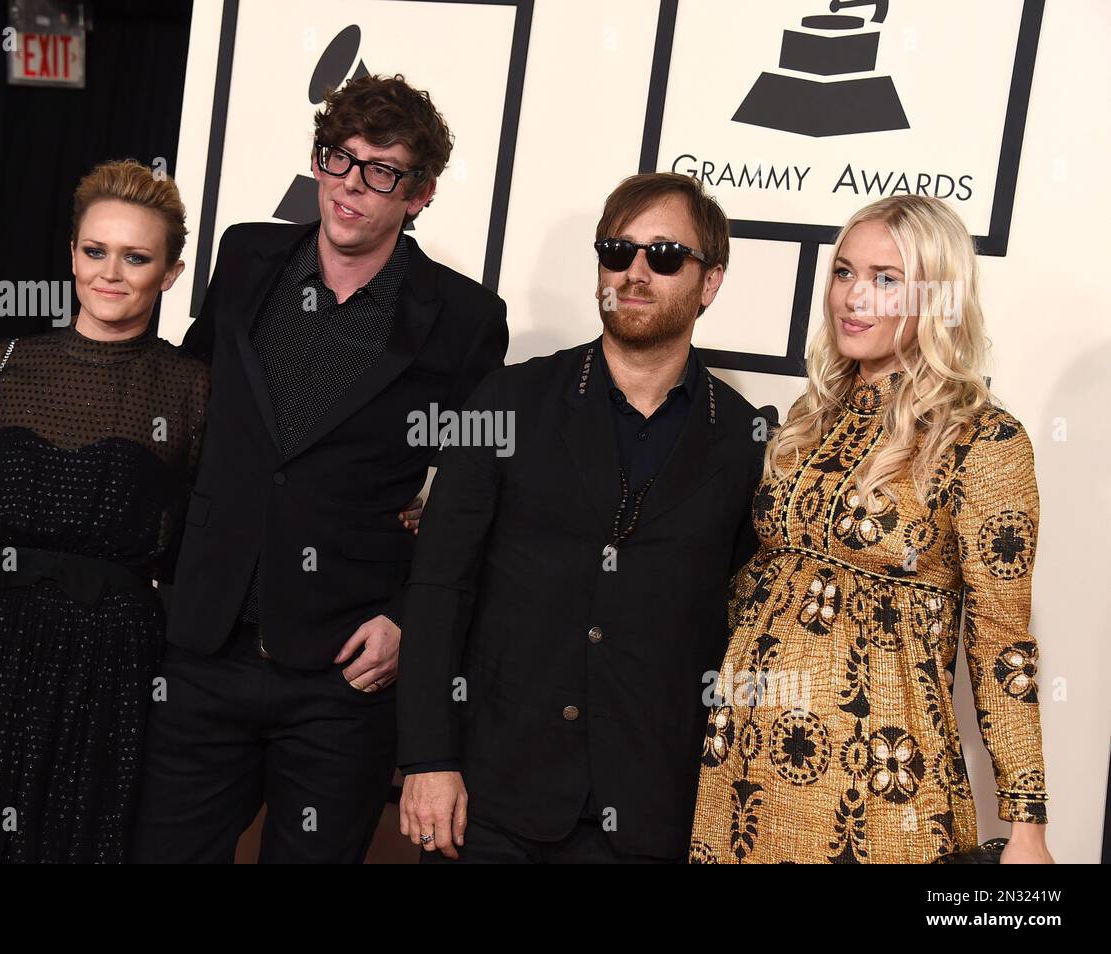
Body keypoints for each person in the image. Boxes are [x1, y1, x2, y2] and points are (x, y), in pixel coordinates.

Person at [129, 74, 508, 864]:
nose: (349, 186)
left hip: (344, 671)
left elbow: (476, 499)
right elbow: (193, 404)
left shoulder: (465, 319)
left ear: (421, 193)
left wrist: (410, 613)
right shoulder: (246, 253)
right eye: (339, 158)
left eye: (381, 170)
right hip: (203, 642)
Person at [395, 173, 772, 863]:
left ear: (709, 282)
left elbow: (738, 624)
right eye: (616, 251)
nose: (633, 273)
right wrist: (426, 759)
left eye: (663, 256)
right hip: (490, 801)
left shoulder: (745, 441)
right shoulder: (506, 401)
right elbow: (438, 588)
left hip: (651, 814)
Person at [689, 194, 1053, 863]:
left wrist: (1026, 820)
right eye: (845, 272)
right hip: (741, 771)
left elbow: (1004, 642)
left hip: (884, 782)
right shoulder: (810, 417)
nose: (854, 297)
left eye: (887, 280)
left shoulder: (984, 439)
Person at [0, 159, 207, 862]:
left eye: (136, 257)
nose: (110, 273)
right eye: (95, 251)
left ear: (171, 274)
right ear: (71, 254)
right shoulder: (6, 365)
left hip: (110, 666)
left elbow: (214, 538)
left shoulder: (190, 389)